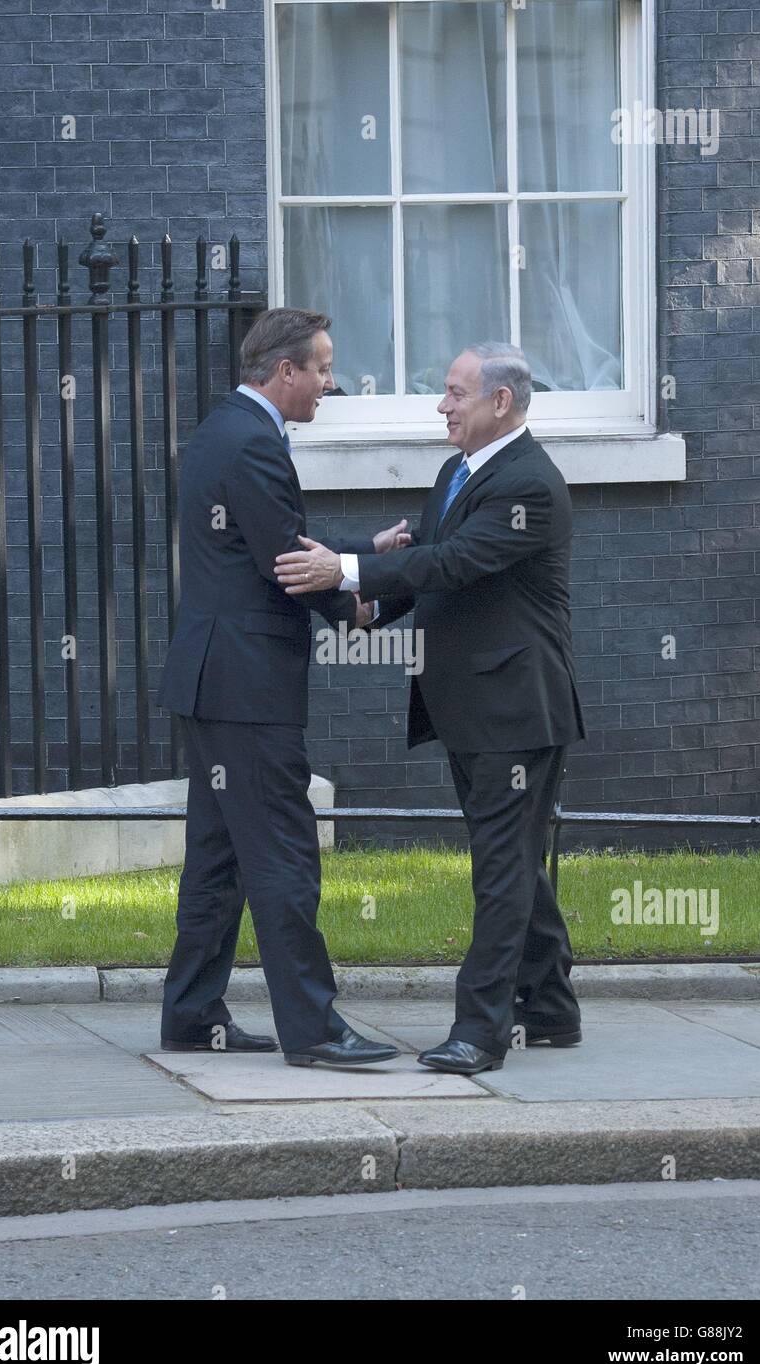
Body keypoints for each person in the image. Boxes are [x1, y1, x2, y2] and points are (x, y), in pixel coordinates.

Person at [274, 342, 586, 1075]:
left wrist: (344, 566)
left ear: (499, 402)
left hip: (516, 710)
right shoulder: (458, 472)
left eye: (453, 392)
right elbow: (428, 568)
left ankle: (480, 1032)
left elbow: (456, 562)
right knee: (512, 863)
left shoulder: (528, 485)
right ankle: (549, 1010)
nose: (441, 405)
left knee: (502, 870)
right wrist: (362, 608)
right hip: (472, 707)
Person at [157, 308, 408, 1068]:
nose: (330, 383)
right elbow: (288, 565)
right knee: (284, 858)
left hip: (209, 682)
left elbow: (267, 540)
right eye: (323, 369)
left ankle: (194, 1015)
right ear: (284, 370)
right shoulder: (258, 442)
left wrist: (365, 548)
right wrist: (357, 605)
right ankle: (315, 1030)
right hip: (249, 689)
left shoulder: (221, 429)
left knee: (218, 858)